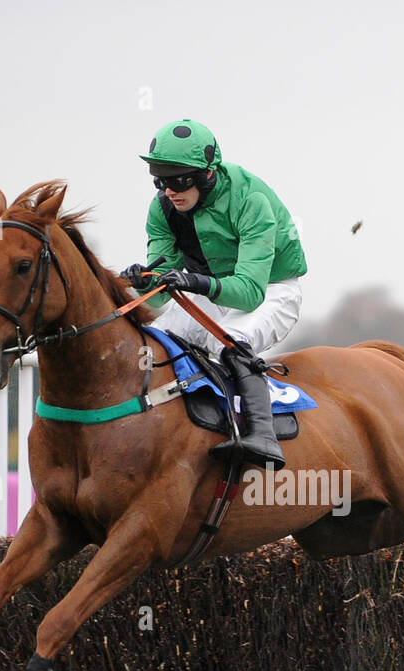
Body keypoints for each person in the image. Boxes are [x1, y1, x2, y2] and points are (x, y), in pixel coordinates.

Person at [121, 119, 307, 470]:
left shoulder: (249, 200)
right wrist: (141, 281)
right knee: (154, 341)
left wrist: (195, 282)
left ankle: (262, 435)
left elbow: (250, 293)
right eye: (161, 180)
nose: (170, 191)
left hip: (272, 291)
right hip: (211, 288)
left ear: (207, 174)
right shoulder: (161, 209)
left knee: (231, 340)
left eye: (180, 180)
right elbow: (160, 295)